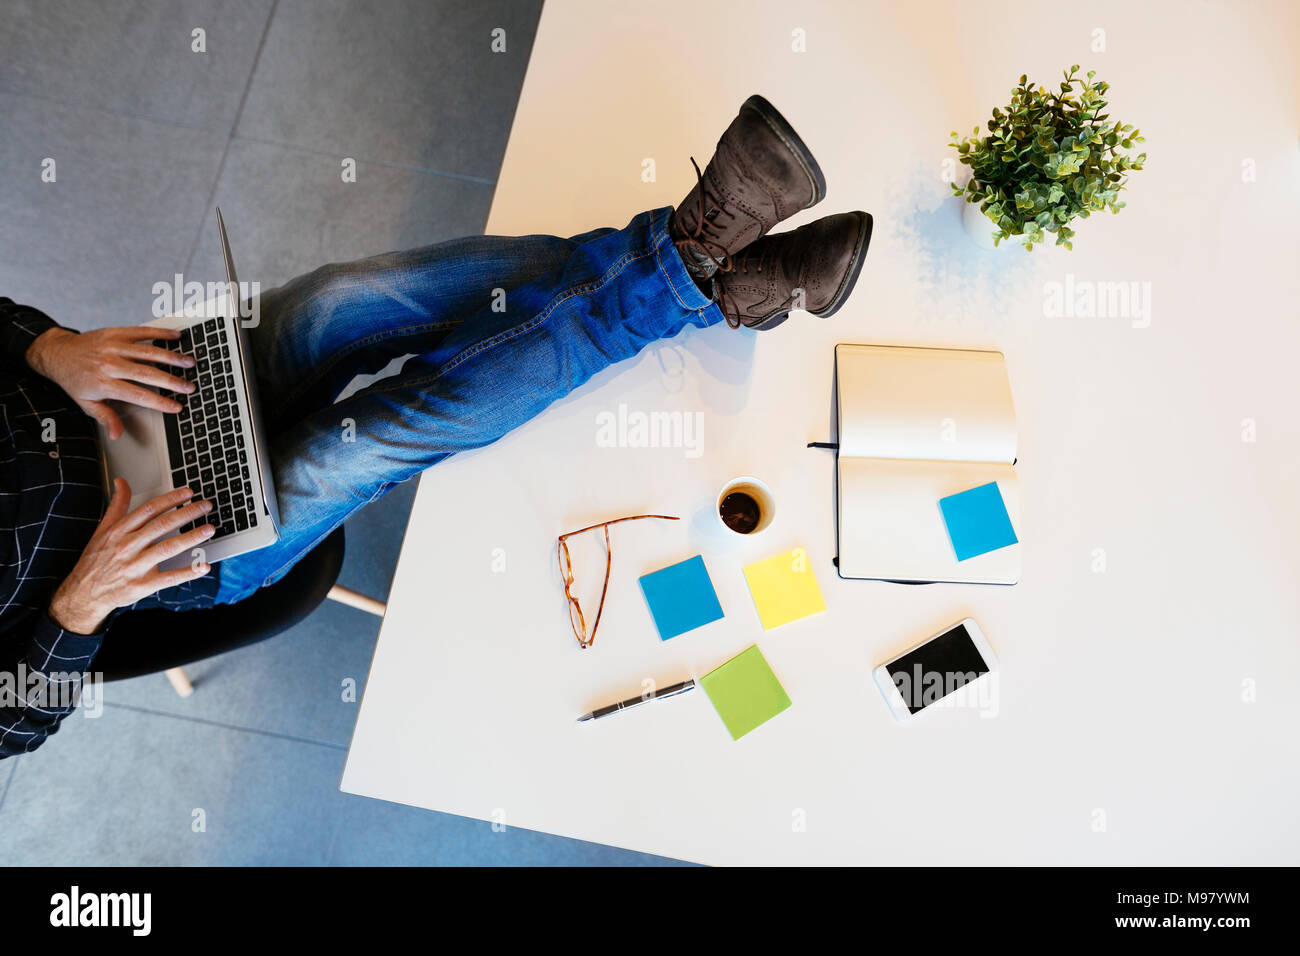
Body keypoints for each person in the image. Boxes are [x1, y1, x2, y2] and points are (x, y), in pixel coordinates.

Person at [0, 94, 871, 757]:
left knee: (346, 298)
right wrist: (79, 604)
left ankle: (704, 280)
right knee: (373, 440)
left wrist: (45, 346)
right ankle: (692, 262)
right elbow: (15, 722)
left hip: (127, 397)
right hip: (147, 547)